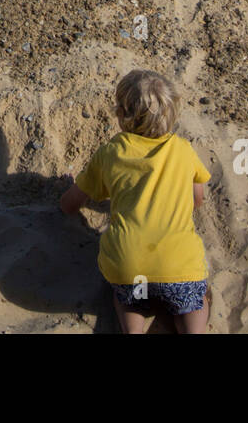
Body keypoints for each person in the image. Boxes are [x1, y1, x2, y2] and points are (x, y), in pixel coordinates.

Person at [59, 69, 212, 334]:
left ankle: (133, 329)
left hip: (128, 266)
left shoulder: (111, 152)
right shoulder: (184, 150)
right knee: (198, 299)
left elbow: (69, 205)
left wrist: (69, 188)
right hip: (179, 266)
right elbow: (197, 199)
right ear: (172, 113)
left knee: (127, 295)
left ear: (121, 114)